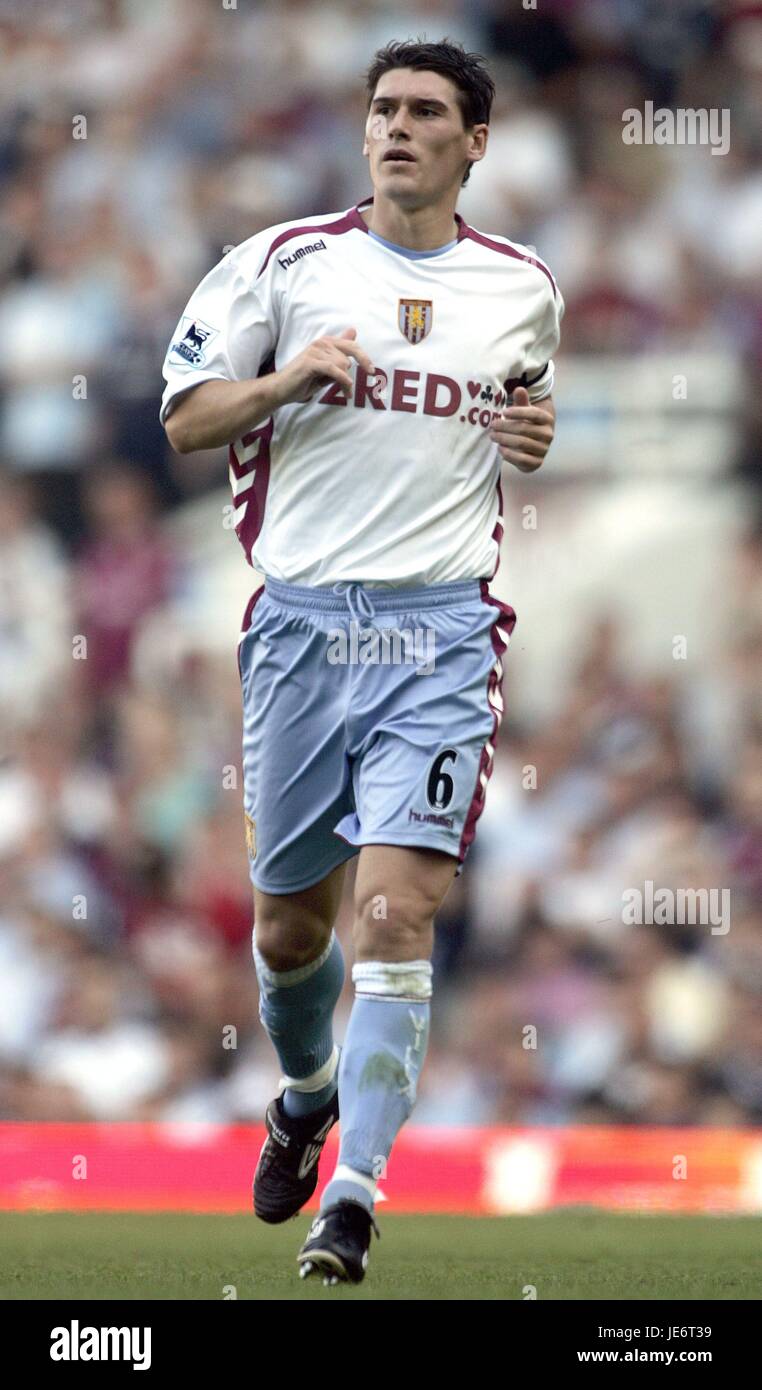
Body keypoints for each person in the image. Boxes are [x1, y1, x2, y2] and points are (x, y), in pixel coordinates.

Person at [160, 38, 562, 1285]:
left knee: (397, 913)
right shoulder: (285, 262)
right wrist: (286, 381)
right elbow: (181, 420)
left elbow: (524, 419)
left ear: (474, 141)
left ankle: (355, 1201)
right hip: (299, 631)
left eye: (427, 111)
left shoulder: (522, 288)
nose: (397, 127)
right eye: (383, 107)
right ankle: (304, 1092)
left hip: (439, 633)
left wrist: (533, 433)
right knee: (290, 933)